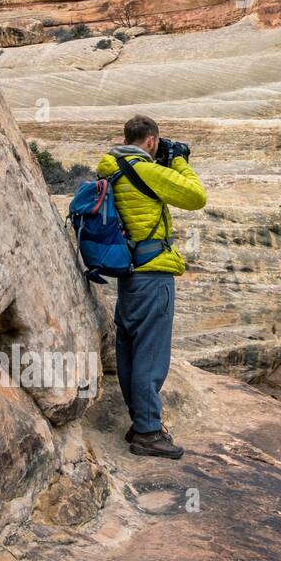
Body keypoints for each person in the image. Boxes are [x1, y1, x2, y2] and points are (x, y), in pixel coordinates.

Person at [97, 114, 206, 459]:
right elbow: (195, 196)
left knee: (130, 348)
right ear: (151, 141)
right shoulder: (146, 170)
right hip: (153, 274)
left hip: (127, 272)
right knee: (150, 355)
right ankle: (147, 432)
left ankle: (139, 421)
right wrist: (178, 161)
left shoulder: (108, 167)